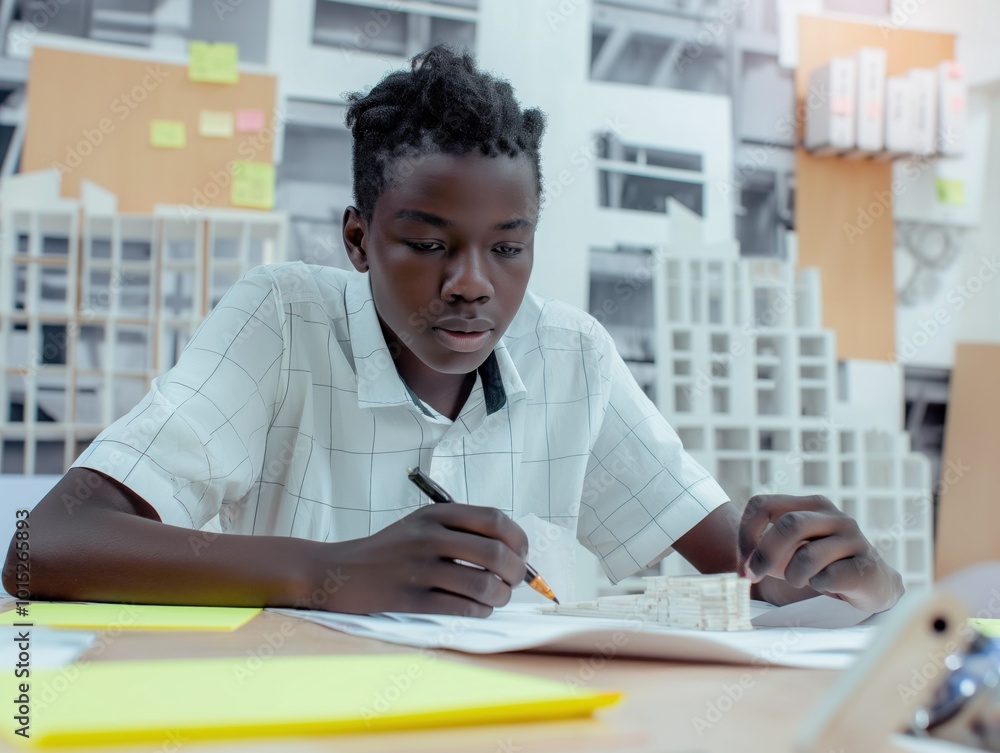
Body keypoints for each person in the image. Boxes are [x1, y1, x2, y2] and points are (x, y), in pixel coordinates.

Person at [2, 47, 902, 617]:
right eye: (429, 244)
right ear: (359, 238)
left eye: (509, 248)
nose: (474, 283)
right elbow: (46, 546)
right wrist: (335, 571)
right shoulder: (282, 317)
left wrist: (849, 580)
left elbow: (746, 583)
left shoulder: (572, 354)